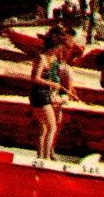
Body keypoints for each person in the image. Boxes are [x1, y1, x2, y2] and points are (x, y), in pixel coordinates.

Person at [28, 31, 76, 161]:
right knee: (52, 127)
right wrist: (52, 84)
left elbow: (53, 76)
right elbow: (35, 78)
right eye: (58, 48)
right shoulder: (41, 58)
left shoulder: (53, 59)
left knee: (43, 128)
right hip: (39, 94)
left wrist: (56, 88)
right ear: (54, 47)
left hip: (43, 93)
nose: (59, 51)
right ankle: (46, 158)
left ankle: (40, 157)